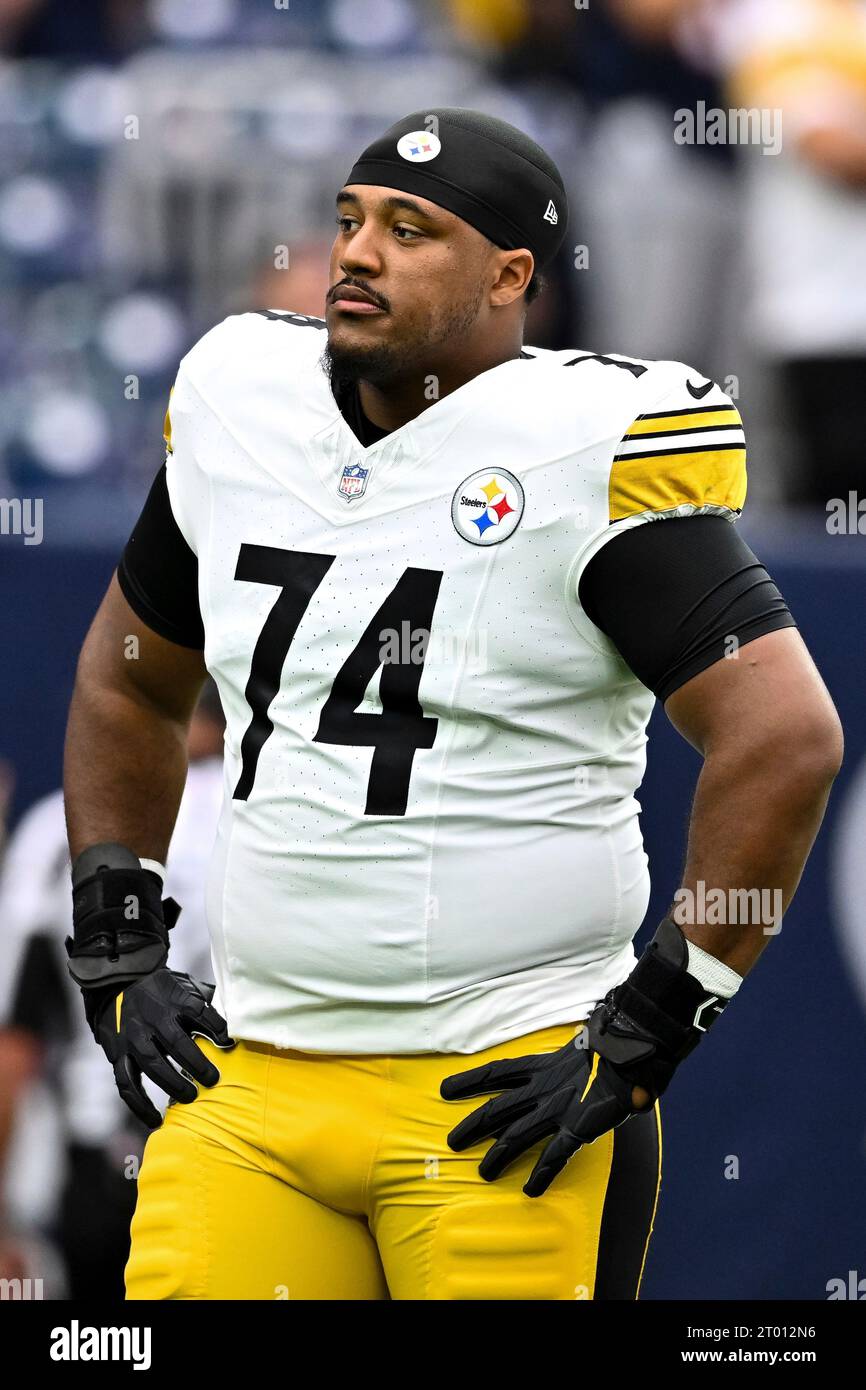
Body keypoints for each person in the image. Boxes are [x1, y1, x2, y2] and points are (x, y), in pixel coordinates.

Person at [63, 108, 843, 1301]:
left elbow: (782, 736)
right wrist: (117, 929)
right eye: (348, 220)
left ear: (508, 276)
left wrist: (658, 1015)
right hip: (253, 1078)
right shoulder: (240, 395)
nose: (356, 251)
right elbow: (129, 677)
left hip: (497, 1088)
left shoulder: (586, 443)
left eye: (409, 229)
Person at [0, 686, 223, 1298]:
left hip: (104, 1159)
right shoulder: (265, 817)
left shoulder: (57, 827)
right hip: (242, 1148)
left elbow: (16, 1046)